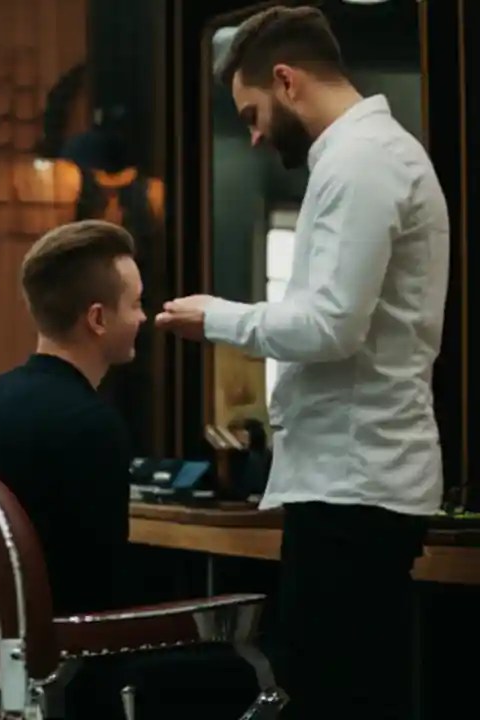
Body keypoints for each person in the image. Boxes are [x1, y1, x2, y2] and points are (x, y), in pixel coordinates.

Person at [155, 7, 448, 719]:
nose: (254, 136)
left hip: (357, 486)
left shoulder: (363, 161)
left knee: (336, 699)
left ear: (286, 81)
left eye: (252, 114)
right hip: (349, 482)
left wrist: (215, 318)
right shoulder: (357, 159)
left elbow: (331, 325)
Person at [0, 219, 145, 618]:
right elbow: (100, 589)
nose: (143, 318)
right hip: (62, 645)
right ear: (97, 319)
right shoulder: (93, 426)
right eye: (135, 304)